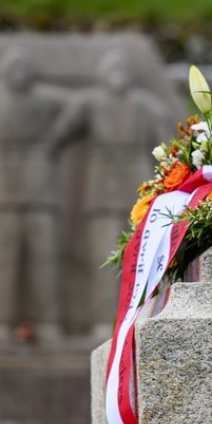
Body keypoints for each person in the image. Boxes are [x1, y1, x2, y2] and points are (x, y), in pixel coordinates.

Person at [51, 47, 174, 338]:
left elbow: (166, 142)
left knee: (143, 255)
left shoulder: (147, 106)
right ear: (101, 75)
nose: (117, 74)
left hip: (138, 184)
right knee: (104, 258)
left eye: (123, 68)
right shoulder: (90, 103)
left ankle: (142, 316)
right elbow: (61, 130)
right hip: (101, 189)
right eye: (111, 68)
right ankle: (102, 320)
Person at [0, 47, 66, 342]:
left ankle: (48, 322)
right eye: (12, 67)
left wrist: (54, 136)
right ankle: (1, 323)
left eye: (23, 67)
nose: (17, 73)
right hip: (2, 189)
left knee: (43, 259)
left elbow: (78, 105)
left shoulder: (44, 98)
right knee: (3, 261)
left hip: (39, 187)